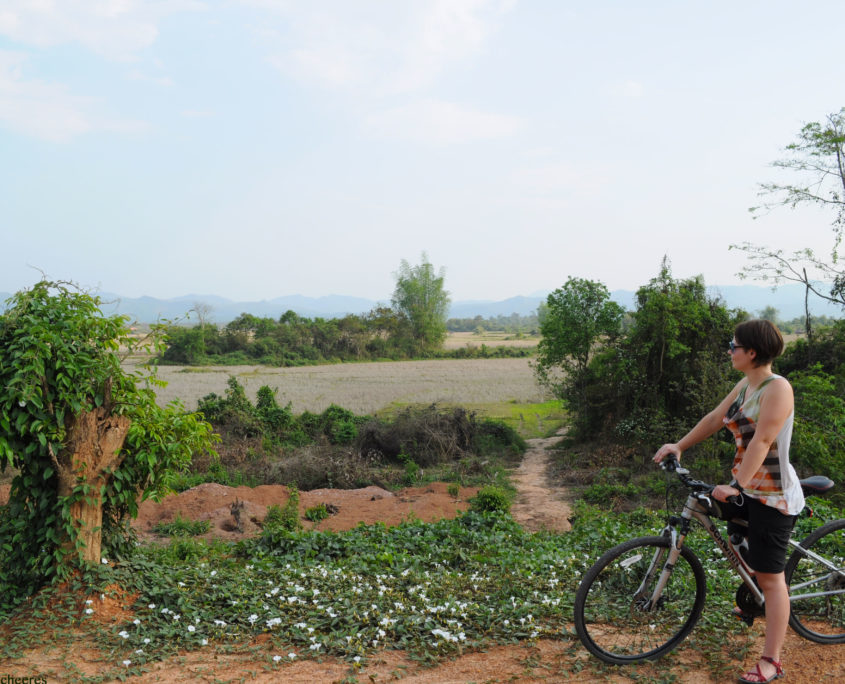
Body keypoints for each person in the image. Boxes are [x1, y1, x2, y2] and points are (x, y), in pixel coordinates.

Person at [653, 319, 804, 684]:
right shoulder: (745, 384)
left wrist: (736, 484)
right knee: (722, 524)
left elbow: (762, 442)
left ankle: (772, 661)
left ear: (752, 352)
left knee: (772, 578)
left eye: (733, 345)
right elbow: (714, 419)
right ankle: (751, 593)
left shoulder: (777, 388)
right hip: (747, 489)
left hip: (772, 496)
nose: (729, 350)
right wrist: (679, 445)